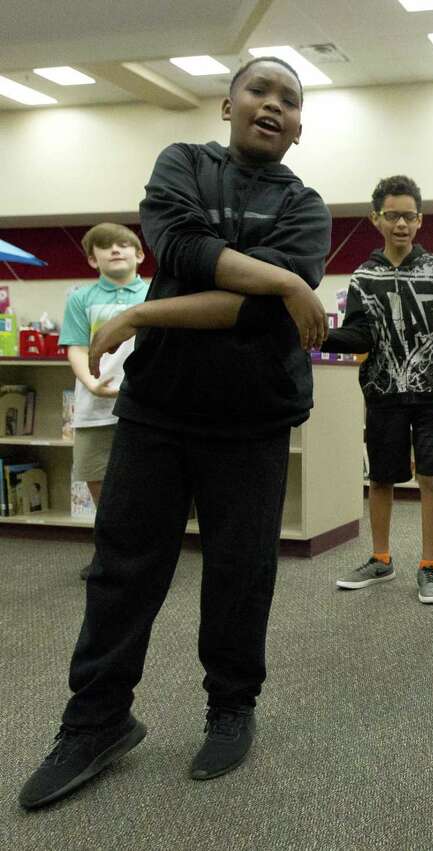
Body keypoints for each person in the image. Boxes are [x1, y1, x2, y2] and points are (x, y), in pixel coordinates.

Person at [19, 56, 332, 810]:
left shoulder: (307, 206)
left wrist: (138, 313)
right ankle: (95, 721)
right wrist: (281, 280)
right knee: (122, 570)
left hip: (253, 419)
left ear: (299, 127)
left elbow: (252, 311)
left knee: (238, 573)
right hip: (157, 410)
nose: (272, 105)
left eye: (289, 101)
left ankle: (231, 707)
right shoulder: (183, 164)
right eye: (258, 90)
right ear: (227, 104)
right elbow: (182, 251)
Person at [321, 174, 433, 603]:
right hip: (383, 392)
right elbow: (358, 336)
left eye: (409, 216)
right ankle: (381, 558)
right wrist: (317, 335)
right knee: (383, 479)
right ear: (376, 219)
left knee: (432, 478)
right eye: (393, 216)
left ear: (420, 220)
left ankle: (429, 566)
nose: (401, 224)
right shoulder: (362, 276)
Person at [60, 223, 149, 580]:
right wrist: (93, 384)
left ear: (139, 254)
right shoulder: (80, 298)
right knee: (99, 481)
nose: (115, 250)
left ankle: (145, 555)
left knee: (144, 484)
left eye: (123, 244)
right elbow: (77, 347)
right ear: (92, 259)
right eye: (105, 246)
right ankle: (111, 553)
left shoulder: (155, 293)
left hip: (144, 407)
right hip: (94, 408)